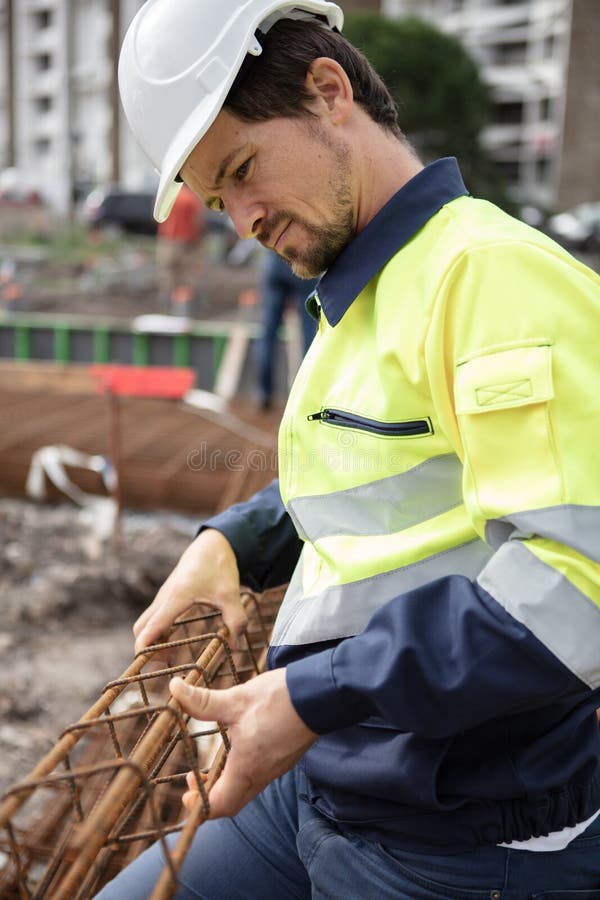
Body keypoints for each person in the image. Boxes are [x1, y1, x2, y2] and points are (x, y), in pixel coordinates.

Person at [103, 0, 600, 896]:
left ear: (328, 91)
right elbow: (375, 482)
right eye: (221, 199)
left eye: (244, 169)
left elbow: (579, 581)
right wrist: (235, 540)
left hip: (462, 837)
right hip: (338, 774)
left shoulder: (490, 277)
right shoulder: (361, 289)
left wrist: (312, 696)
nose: (243, 218)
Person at [256, 249, 319, 408]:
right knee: (309, 333)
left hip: (275, 262)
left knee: (268, 334)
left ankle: (264, 392)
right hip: (303, 259)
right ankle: (308, 393)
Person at [156, 183, 205, 316]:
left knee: (168, 278)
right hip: (186, 245)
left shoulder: (166, 197)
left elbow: (157, 218)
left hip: (166, 242)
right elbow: (197, 222)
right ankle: (184, 313)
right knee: (187, 280)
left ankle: (167, 311)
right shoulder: (190, 198)